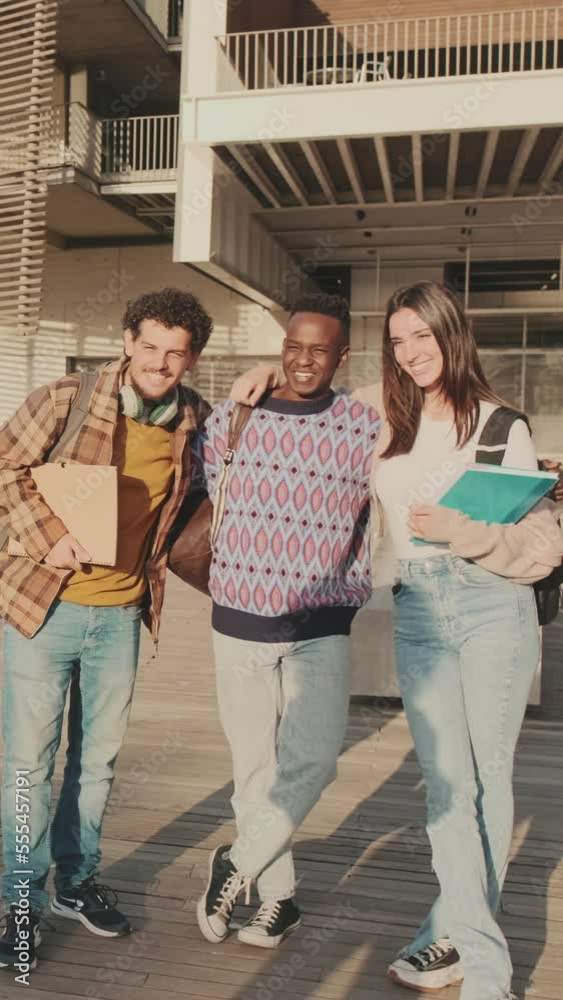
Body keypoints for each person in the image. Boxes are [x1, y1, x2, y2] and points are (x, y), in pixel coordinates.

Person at [232, 281, 562, 1000]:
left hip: (488, 606)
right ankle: (455, 938)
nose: (411, 352)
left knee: (486, 781)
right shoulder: (385, 419)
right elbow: (308, 392)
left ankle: (479, 967)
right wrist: (257, 377)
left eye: (423, 335)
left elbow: (541, 543)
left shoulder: (501, 424)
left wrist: (461, 532)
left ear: (453, 334)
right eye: (398, 339)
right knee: (448, 787)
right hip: (418, 608)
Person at [0, 288, 212, 970]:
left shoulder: (193, 420)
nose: (159, 362)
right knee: (29, 764)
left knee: (97, 763)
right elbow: (5, 471)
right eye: (149, 346)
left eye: (175, 353)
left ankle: (76, 881)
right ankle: (19, 902)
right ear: (127, 341)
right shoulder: (63, 398)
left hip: (121, 614)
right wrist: (47, 537)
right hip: (44, 606)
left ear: (190, 359)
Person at [193, 293, 380, 949]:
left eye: (318, 350)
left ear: (341, 357)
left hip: (319, 625)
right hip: (238, 619)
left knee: (313, 761)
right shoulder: (234, 416)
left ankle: (235, 864)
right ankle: (279, 899)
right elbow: (206, 487)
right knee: (253, 769)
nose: (303, 360)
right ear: (281, 351)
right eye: (292, 348)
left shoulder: (364, 426)